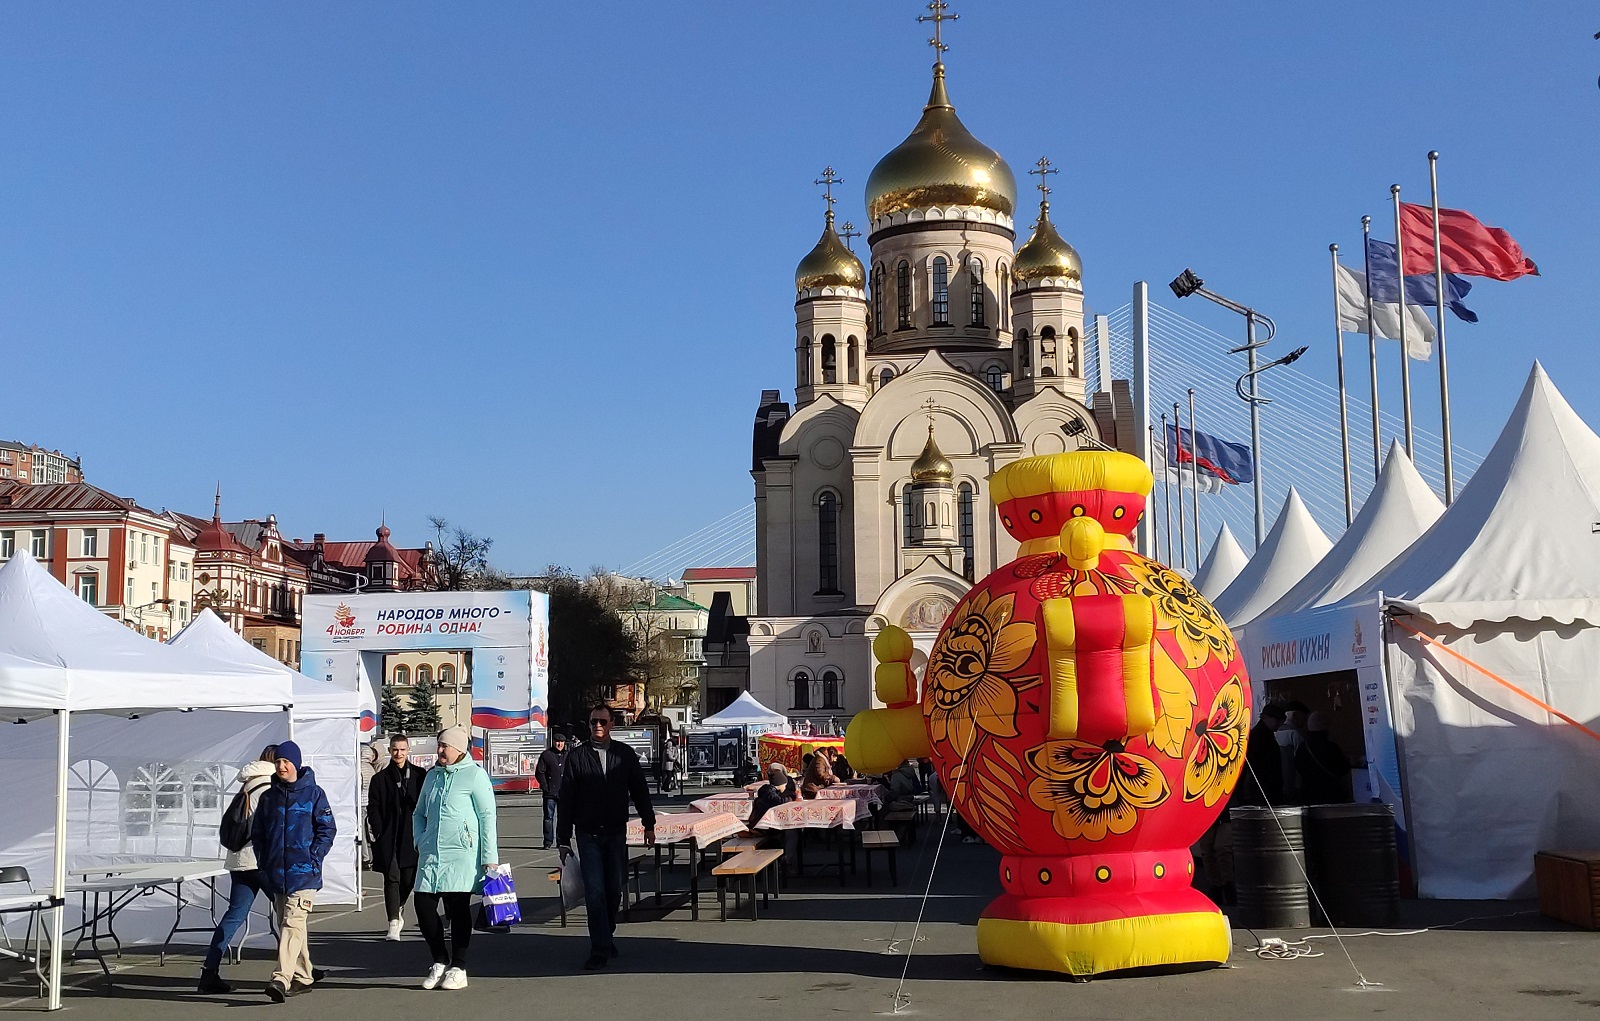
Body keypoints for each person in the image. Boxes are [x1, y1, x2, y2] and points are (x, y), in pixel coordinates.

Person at [557, 705, 656, 971]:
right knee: (595, 892)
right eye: (592, 722)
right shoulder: (577, 757)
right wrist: (563, 839)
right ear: (588, 725)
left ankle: (605, 932)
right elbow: (566, 799)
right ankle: (599, 948)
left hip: (615, 832)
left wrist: (649, 824)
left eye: (602, 721)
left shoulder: (624, 754)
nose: (597, 726)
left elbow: (639, 790)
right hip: (587, 833)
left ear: (612, 723)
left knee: (614, 889)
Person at [412, 726, 499, 991]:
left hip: (462, 853)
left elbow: (487, 817)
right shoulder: (432, 777)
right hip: (431, 853)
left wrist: (489, 857)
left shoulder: (475, 775)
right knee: (423, 903)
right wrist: (420, 840)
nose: (439, 751)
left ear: (459, 749)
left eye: (444, 746)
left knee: (458, 908)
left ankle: (458, 967)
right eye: (439, 745)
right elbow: (419, 813)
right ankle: (439, 959)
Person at [250, 741, 335, 1003]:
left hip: (304, 874)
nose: (281, 766)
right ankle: (303, 975)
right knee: (289, 925)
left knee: (292, 922)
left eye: (286, 762)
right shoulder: (268, 797)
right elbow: (259, 833)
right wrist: (264, 861)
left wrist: (314, 857)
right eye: (277, 762)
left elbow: (327, 829)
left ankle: (281, 978)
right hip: (277, 873)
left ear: (296, 764)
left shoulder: (314, 794)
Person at [197, 745, 277, 994]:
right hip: (259, 859)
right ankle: (299, 968)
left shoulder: (248, 784)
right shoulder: (268, 788)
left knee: (234, 915)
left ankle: (209, 972)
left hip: (239, 860)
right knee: (289, 914)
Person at [367, 733, 426, 941]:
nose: (398, 753)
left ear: (408, 750)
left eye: (402, 749)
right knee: (391, 877)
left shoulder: (420, 775)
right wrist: (380, 830)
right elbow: (372, 807)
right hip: (389, 836)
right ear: (390, 751)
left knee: (408, 878)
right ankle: (393, 921)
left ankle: (398, 905)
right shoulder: (380, 779)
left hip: (412, 836)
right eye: (394, 749)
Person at [1295, 712, 1354, 805]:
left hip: (1308, 793)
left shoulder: (1302, 747)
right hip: (1331, 794)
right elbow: (1342, 769)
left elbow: (1299, 768)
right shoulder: (1331, 747)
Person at [1234, 704, 1285, 806]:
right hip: (1262, 790)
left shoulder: (1261, 734)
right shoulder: (1260, 736)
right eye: (1278, 721)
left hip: (1262, 789)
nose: (1280, 724)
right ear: (1267, 718)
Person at [535, 732, 568, 849]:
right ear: (553, 742)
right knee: (548, 818)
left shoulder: (568, 755)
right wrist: (545, 787)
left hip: (564, 792)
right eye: (557, 741)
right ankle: (548, 842)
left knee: (562, 818)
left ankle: (561, 842)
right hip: (550, 793)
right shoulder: (546, 755)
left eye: (561, 742)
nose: (559, 744)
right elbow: (540, 772)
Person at [748, 762, 799, 829]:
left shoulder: (770, 790)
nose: (785, 787)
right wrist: (792, 797)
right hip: (761, 822)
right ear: (780, 785)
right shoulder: (768, 791)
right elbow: (779, 802)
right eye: (784, 785)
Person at [1277, 701, 1310, 803]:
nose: (1305, 722)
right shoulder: (1294, 734)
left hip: (1278, 783)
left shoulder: (1275, 732)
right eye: (1303, 717)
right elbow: (1302, 761)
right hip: (1293, 784)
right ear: (1295, 715)